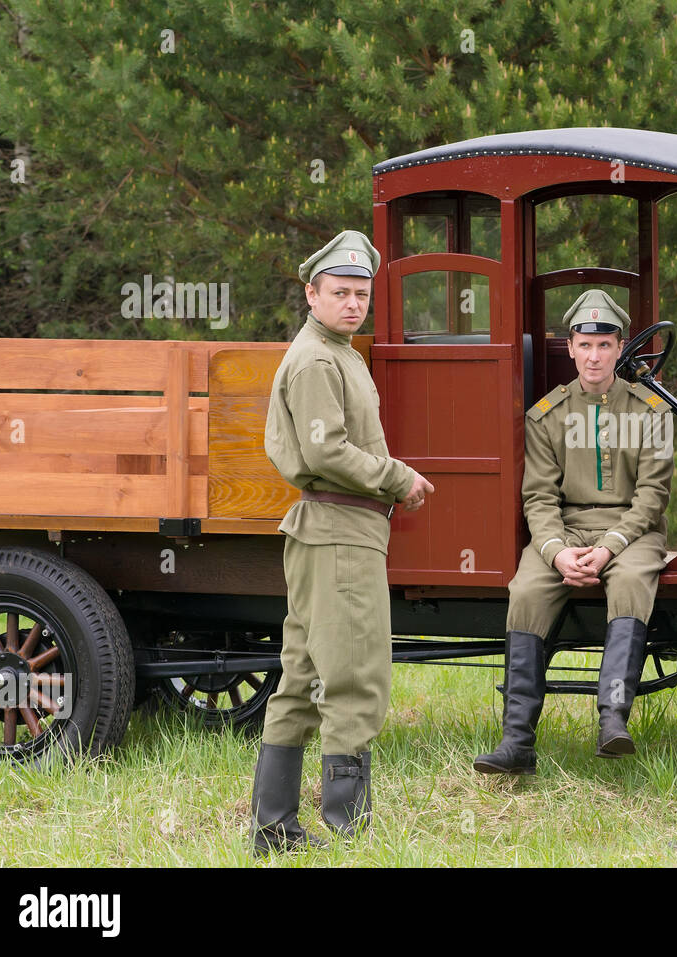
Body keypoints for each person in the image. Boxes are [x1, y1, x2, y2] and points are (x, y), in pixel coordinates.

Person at [248, 229, 433, 855]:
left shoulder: (339, 351)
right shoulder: (319, 359)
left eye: (362, 293)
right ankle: (351, 834)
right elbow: (326, 448)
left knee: (300, 677)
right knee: (354, 676)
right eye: (341, 293)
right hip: (339, 533)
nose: (353, 303)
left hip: (335, 530)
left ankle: (274, 830)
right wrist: (397, 476)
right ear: (312, 293)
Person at [474, 289, 674, 774]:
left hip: (633, 534)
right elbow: (539, 497)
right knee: (525, 589)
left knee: (629, 585)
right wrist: (557, 552)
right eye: (585, 344)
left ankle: (613, 720)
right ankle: (517, 742)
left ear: (620, 347)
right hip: (564, 531)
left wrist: (607, 550)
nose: (594, 356)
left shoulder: (652, 411)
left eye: (605, 345)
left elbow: (652, 496)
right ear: (570, 347)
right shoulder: (547, 414)